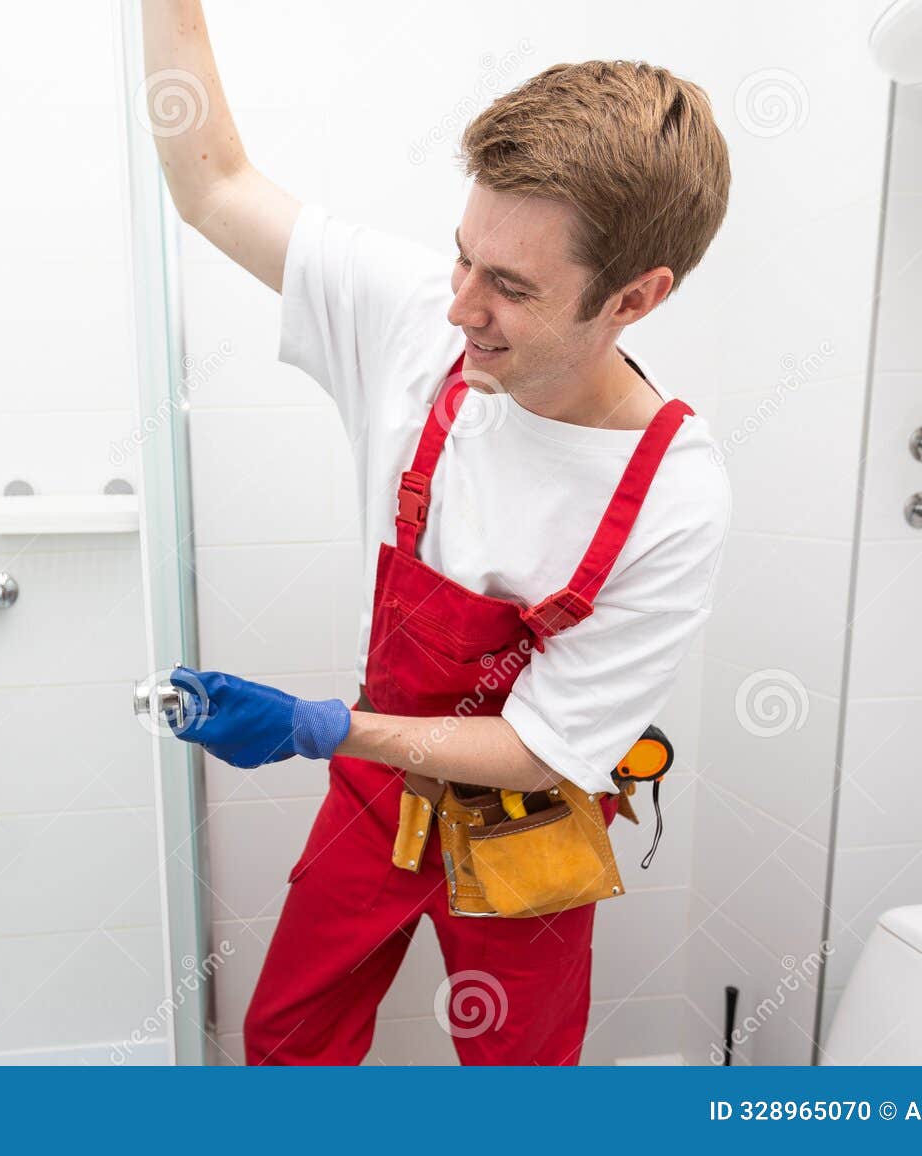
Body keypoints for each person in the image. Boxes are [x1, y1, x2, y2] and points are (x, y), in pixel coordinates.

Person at [142, 0, 733, 1065]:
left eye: (508, 286)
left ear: (634, 299)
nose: (459, 306)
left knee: (520, 1076)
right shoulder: (421, 315)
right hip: (378, 791)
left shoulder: (673, 497)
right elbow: (213, 186)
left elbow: (541, 745)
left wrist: (318, 727)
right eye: (463, 257)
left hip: (530, 814)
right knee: (287, 1040)